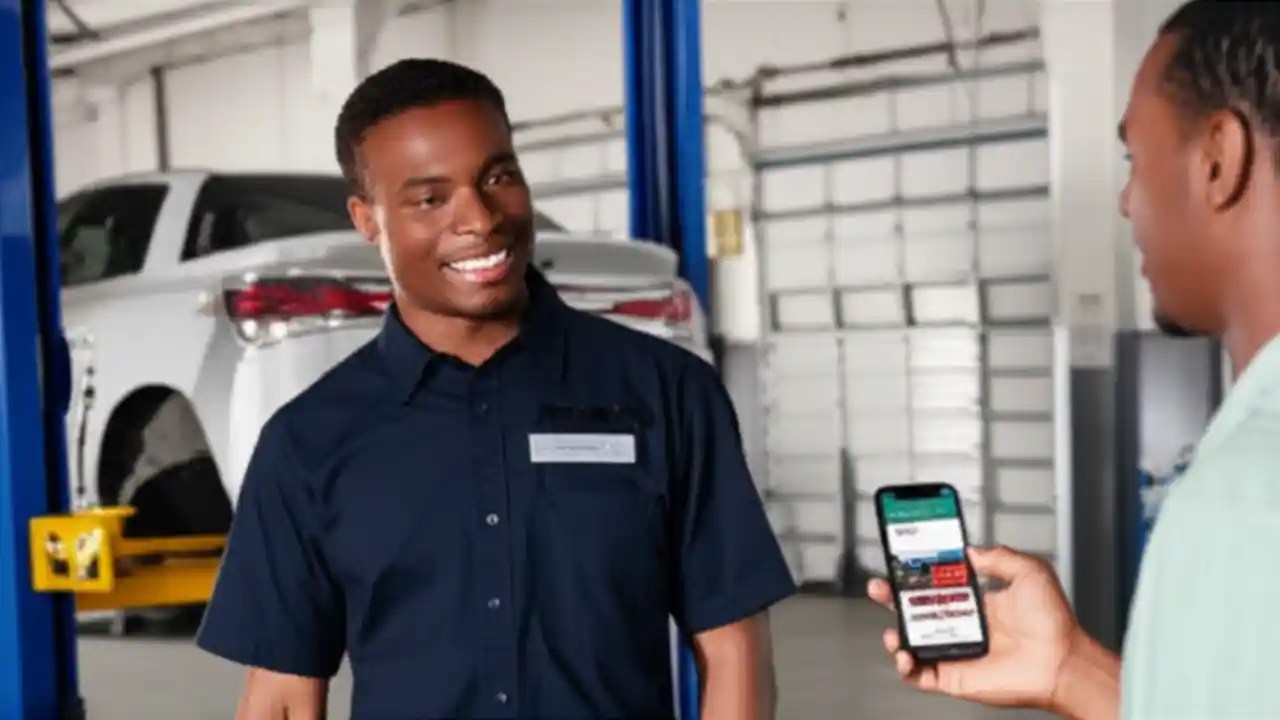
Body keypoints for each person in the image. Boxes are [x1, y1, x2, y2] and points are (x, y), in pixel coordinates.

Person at [195, 58, 796, 719]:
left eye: (498, 177)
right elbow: (280, 697)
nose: (480, 220)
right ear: (368, 220)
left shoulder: (669, 395)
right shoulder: (307, 442)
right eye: (430, 199)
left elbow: (735, 650)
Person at [868, 1, 1280, 718]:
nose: (1125, 201)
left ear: (1220, 157)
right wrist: (1069, 669)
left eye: (1134, 158)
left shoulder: (1245, 497)